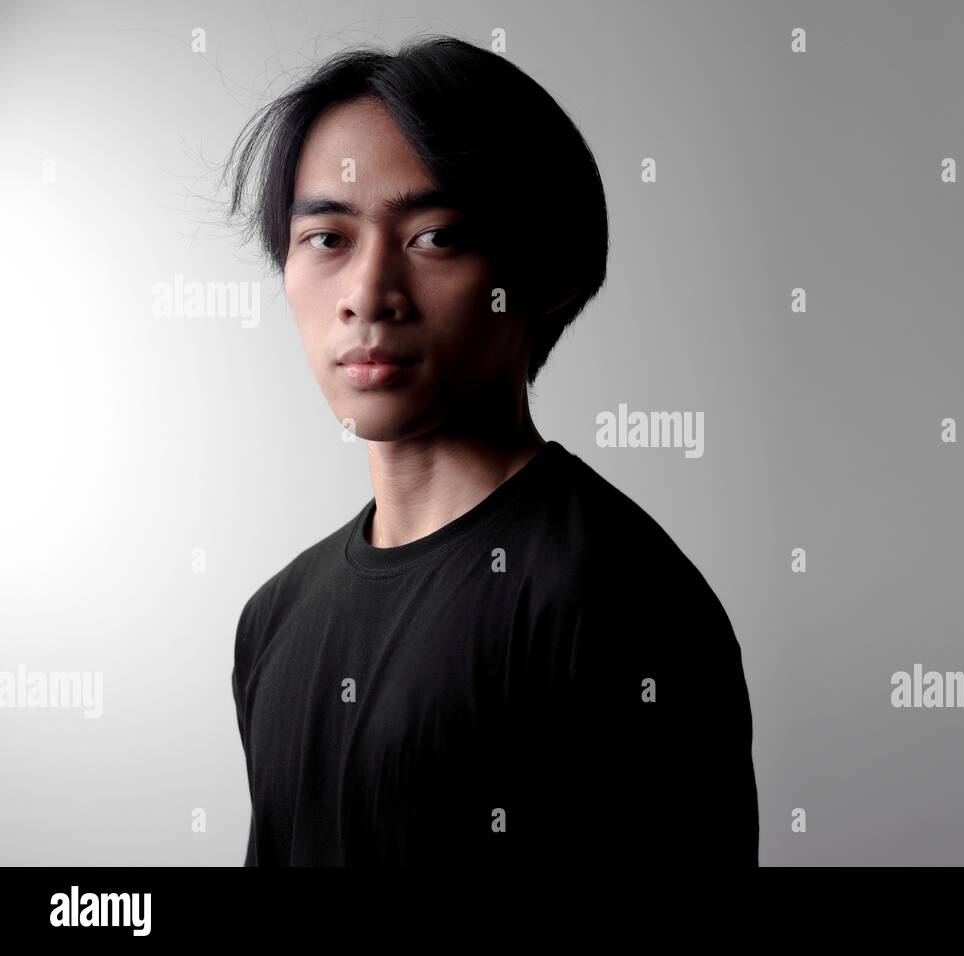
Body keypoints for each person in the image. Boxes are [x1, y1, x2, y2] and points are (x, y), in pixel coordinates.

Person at [223, 34, 759, 866]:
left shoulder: (616, 600)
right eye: (327, 239)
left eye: (434, 236)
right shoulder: (274, 617)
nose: (368, 296)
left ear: (542, 271)